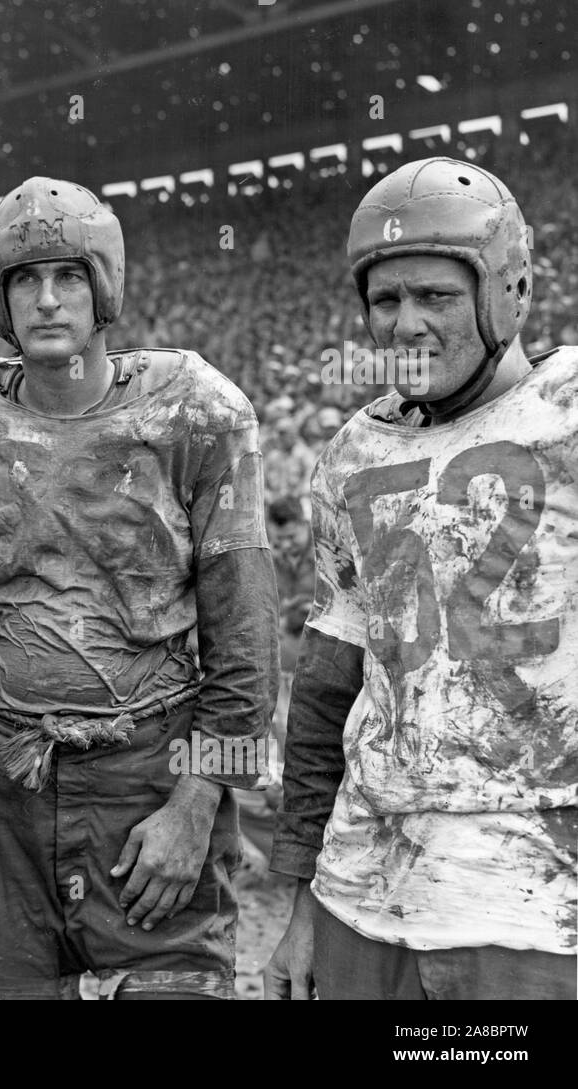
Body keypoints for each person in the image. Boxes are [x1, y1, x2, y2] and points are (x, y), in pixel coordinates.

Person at [0, 177, 279, 999]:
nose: (48, 300)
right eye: (25, 279)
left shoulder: (195, 414)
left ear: (104, 287)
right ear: (0, 296)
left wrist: (198, 802)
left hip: (150, 771)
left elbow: (246, 639)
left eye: (68, 276)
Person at [266, 157, 577, 1000]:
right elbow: (329, 683)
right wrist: (299, 895)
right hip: (363, 893)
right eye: (386, 299)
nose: (405, 324)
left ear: (505, 292)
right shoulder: (354, 449)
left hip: (531, 907)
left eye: (436, 296)